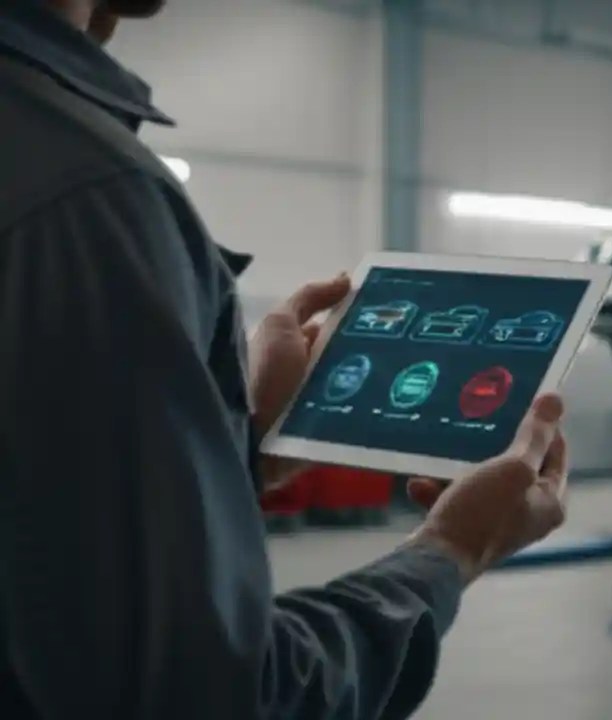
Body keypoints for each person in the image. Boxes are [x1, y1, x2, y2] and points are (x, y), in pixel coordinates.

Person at [0, 1, 571, 717]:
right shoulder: (91, 191)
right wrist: (452, 550)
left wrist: (240, 442)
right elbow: (209, 696)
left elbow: (45, 528)